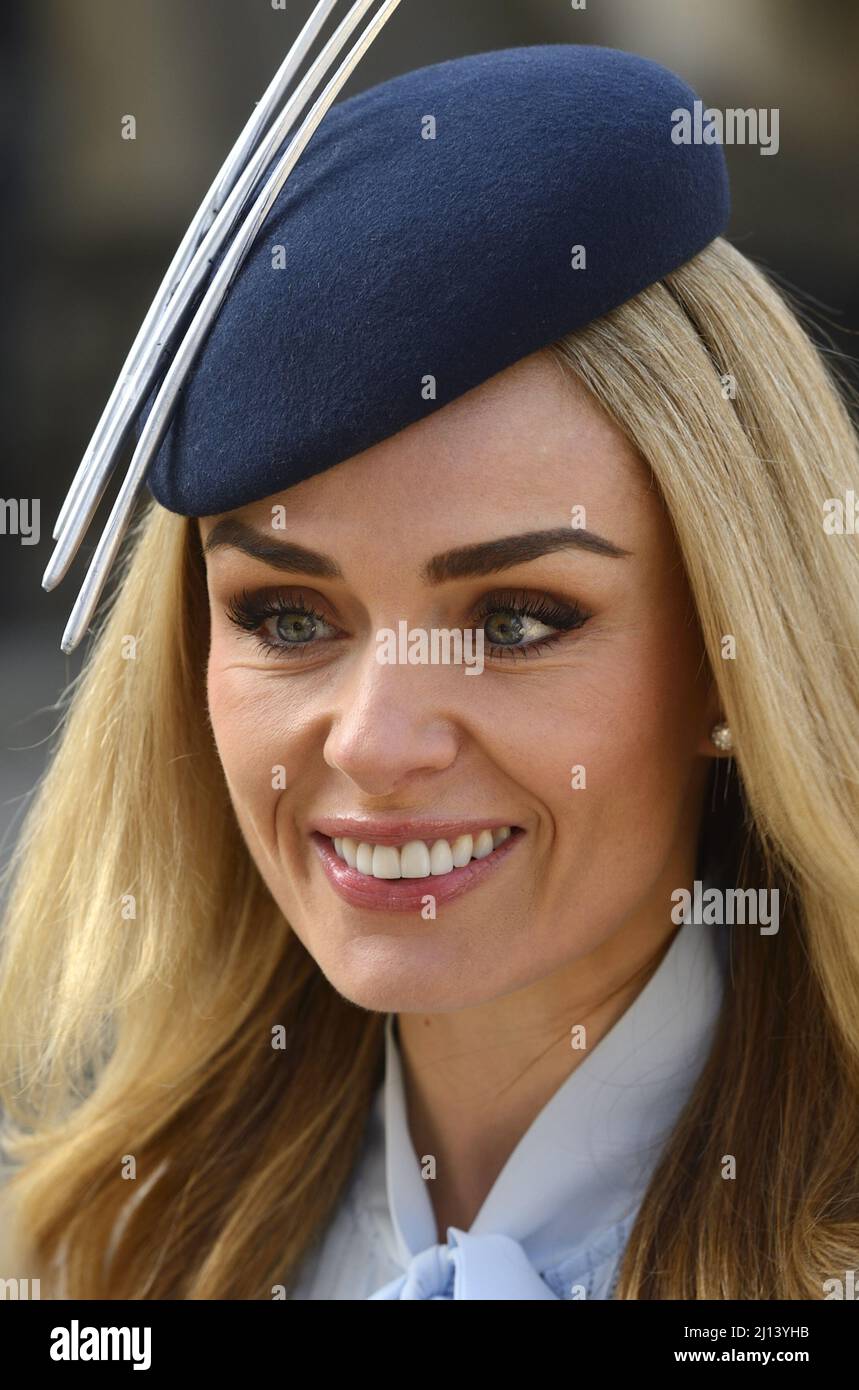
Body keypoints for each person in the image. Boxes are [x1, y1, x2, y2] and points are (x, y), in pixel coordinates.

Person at [1, 42, 858, 1301]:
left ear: (732, 663)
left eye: (515, 619)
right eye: (288, 618)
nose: (372, 743)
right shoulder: (91, 1264)